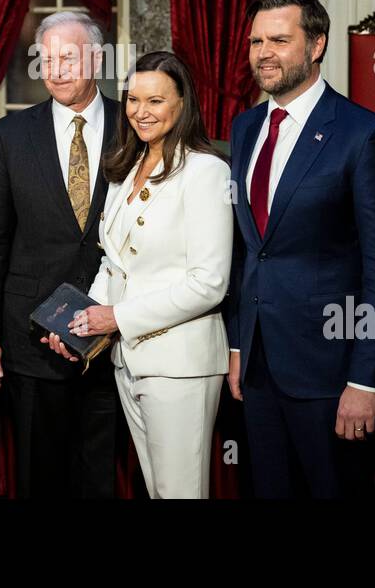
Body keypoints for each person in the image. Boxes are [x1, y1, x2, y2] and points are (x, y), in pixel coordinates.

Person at [225, 0, 375, 498]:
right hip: (259, 369)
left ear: (317, 44)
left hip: (333, 377)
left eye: (279, 40)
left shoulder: (364, 135)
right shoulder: (244, 128)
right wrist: (239, 342)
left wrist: (367, 380)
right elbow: (249, 249)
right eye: (256, 40)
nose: (263, 53)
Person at [46, 51, 232, 499]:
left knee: (181, 491)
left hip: (180, 365)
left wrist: (115, 319)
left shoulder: (206, 172)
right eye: (133, 100)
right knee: (157, 489)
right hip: (128, 361)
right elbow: (113, 264)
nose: (140, 112)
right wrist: (78, 326)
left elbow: (210, 283)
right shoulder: (126, 169)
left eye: (155, 101)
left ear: (182, 104)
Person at [0, 11, 122, 498]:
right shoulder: (10, 136)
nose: (55, 70)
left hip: (117, 332)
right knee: (40, 473)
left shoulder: (135, 125)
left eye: (68, 57)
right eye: (46, 59)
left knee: (101, 472)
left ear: (96, 58)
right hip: (32, 335)